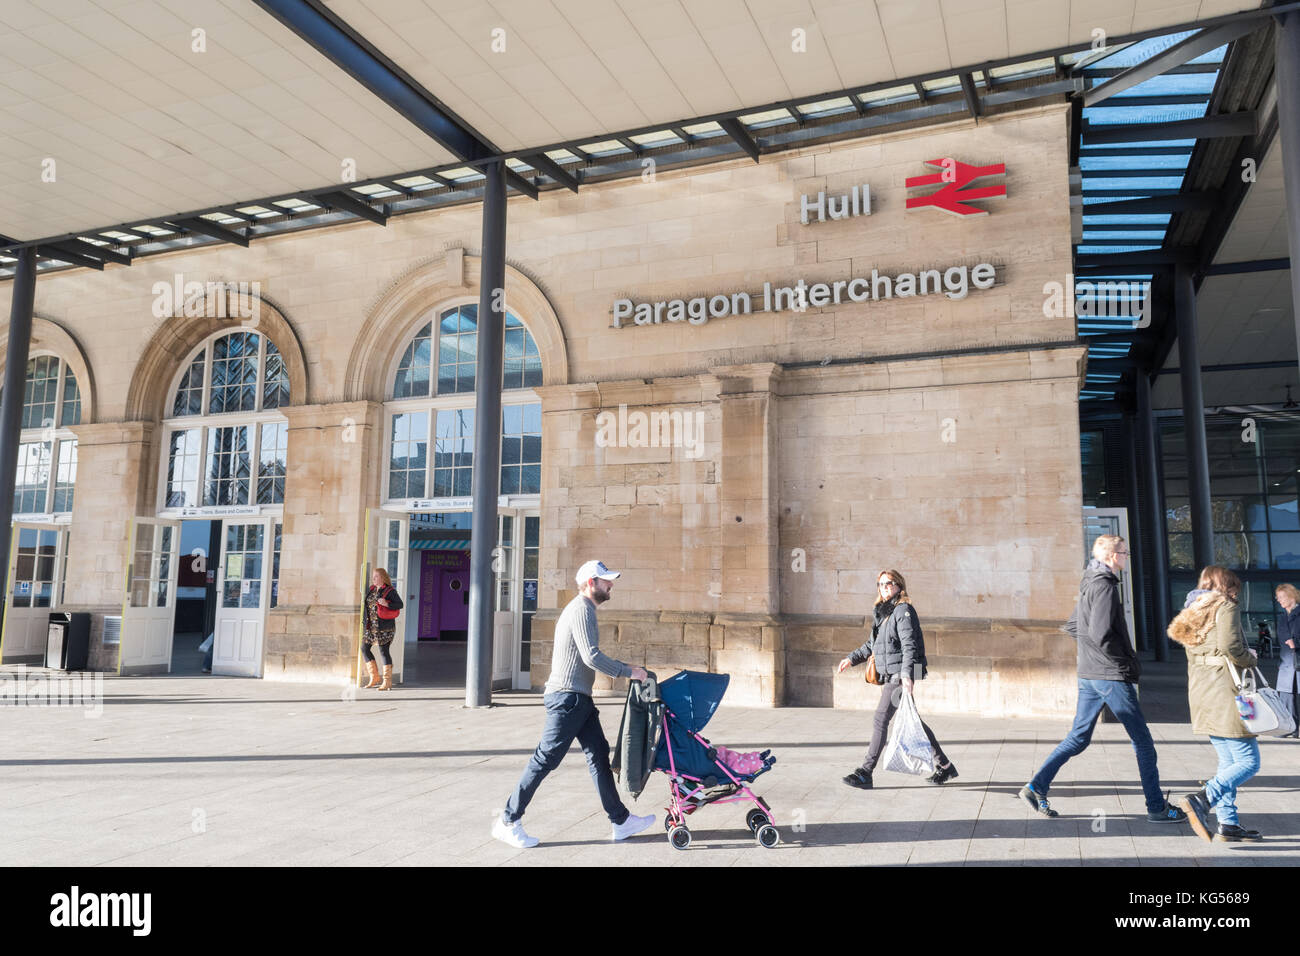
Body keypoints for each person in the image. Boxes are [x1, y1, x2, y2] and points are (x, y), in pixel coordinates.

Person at [1019, 534, 1187, 824]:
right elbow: (1099, 634)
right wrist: (1124, 663)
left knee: (1079, 738)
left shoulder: (1089, 582)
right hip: (1110, 675)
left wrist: (1092, 658)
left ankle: (1036, 787)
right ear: (1111, 555)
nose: (1126, 557)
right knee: (1143, 742)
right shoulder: (1106, 587)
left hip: (1090, 674)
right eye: (1124, 552)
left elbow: (1073, 626)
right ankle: (1157, 807)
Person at [492, 560, 656, 849]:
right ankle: (508, 820)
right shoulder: (582, 609)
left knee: (598, 755)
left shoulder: (584, 609)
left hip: (578, 699)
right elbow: (591, 656)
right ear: (591, 582)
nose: (611, 585)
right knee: (545, 760)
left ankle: (620, 820)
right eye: (606, 581)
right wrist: (630, 671)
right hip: (567, 698)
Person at [836, 569, 957, 789]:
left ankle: (866, 772)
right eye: (881, 584)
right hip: (897, 672)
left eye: (890, 583)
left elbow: (909, 644)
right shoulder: (884, 612)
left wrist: (906, 675)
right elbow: (873, 645)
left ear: (899, 586)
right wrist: (851, 659)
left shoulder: (903, 611)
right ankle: (945, 766)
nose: (885, 587)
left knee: (881, 719)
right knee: (913, 720)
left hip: (900, 674)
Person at [1169, 566, 1263, 842]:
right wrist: (1251, 658)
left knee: (1228, 760)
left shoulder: (1192, 609)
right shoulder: (1224, 605)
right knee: (1248, 761)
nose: (1236, 593)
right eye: (1234, 588)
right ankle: (1203, 798)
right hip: (1227, 690)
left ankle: (1228, 824)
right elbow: (1231, 645)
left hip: (1202, 691)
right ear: (1227, 586)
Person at [361, 568, 403, 691]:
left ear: (383, 578)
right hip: (371, 627)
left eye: (376, 577)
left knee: (383, 651)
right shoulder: (372, 589)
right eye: (373, 577)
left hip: (384, 627)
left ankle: (387, 681)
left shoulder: (389, 591)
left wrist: (387, 604)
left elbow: (400, 604)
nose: (373, 579)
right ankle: (374, 677)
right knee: (364, 648)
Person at [1275, 584, 1300, 737]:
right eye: (1278, 598)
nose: (1279, 601)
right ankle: (1290, 727)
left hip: (1298, 659)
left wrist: (1296, 644)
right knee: (1285, 695)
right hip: (1286, 662)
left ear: (1292, 597)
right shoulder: (1282, 617)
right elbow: (1281, 641)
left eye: (1282, 597)